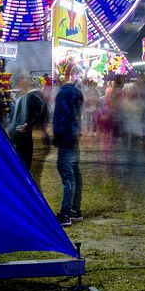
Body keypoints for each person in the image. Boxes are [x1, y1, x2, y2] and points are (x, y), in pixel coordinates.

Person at [53, 76, 84, 227]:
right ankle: (75, 210)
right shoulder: (77, 92)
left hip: (66, 138)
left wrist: (57, 137)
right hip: (74, 137)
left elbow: (62, 118)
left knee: (68, 176)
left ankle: (65, 214)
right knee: (75, 174)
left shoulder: (63, 94)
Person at [7, 86, 48, 172]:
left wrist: (29, 124)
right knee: (22, 164)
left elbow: (43, 110)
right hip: (20, 136)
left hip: (22, 136)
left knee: (22, 164)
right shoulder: (22, 98)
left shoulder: (30, 97)